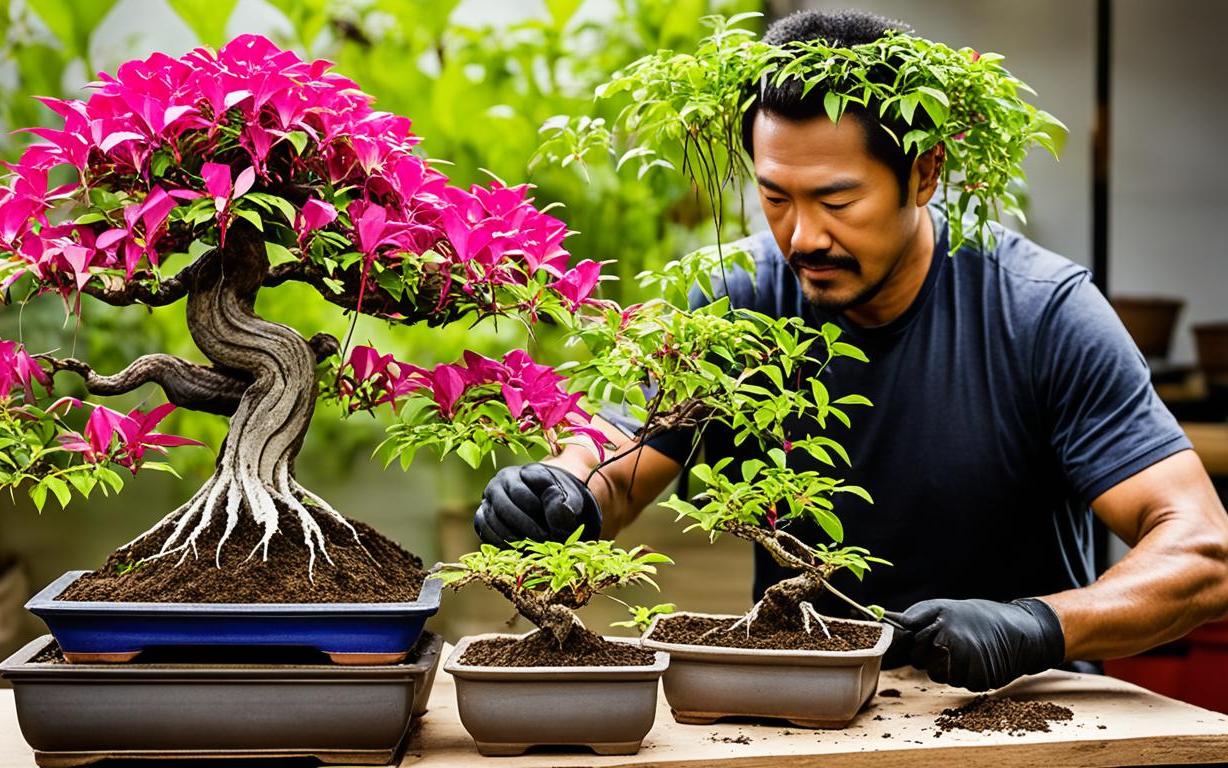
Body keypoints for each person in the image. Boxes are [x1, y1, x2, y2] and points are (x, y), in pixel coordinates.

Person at [473, 9, 1228, 692]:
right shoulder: (732, 301)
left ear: (924, 173)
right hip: (807, 706)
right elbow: (618, 470)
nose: (803, 236)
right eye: (776, 198)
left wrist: (1040, 626)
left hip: (1026, 713)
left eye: (837, 201)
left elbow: (1202, 553)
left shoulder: (1039, 314)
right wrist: (562, 493)